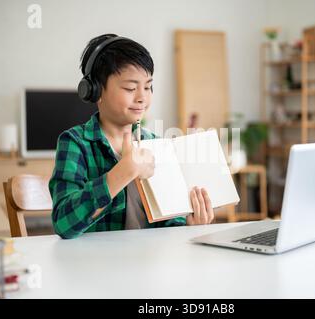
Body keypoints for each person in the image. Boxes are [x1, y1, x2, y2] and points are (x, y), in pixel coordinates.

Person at [49, 34, 214, 239]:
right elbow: (64, 224)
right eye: (130, 88)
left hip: (151, 264)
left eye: (147, 87)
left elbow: (169, 221)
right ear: (96, 91)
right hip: (96, 266)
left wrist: (189, 224)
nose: (142, 97)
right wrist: (125, 170)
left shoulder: (155, 143)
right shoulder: (75, 143)